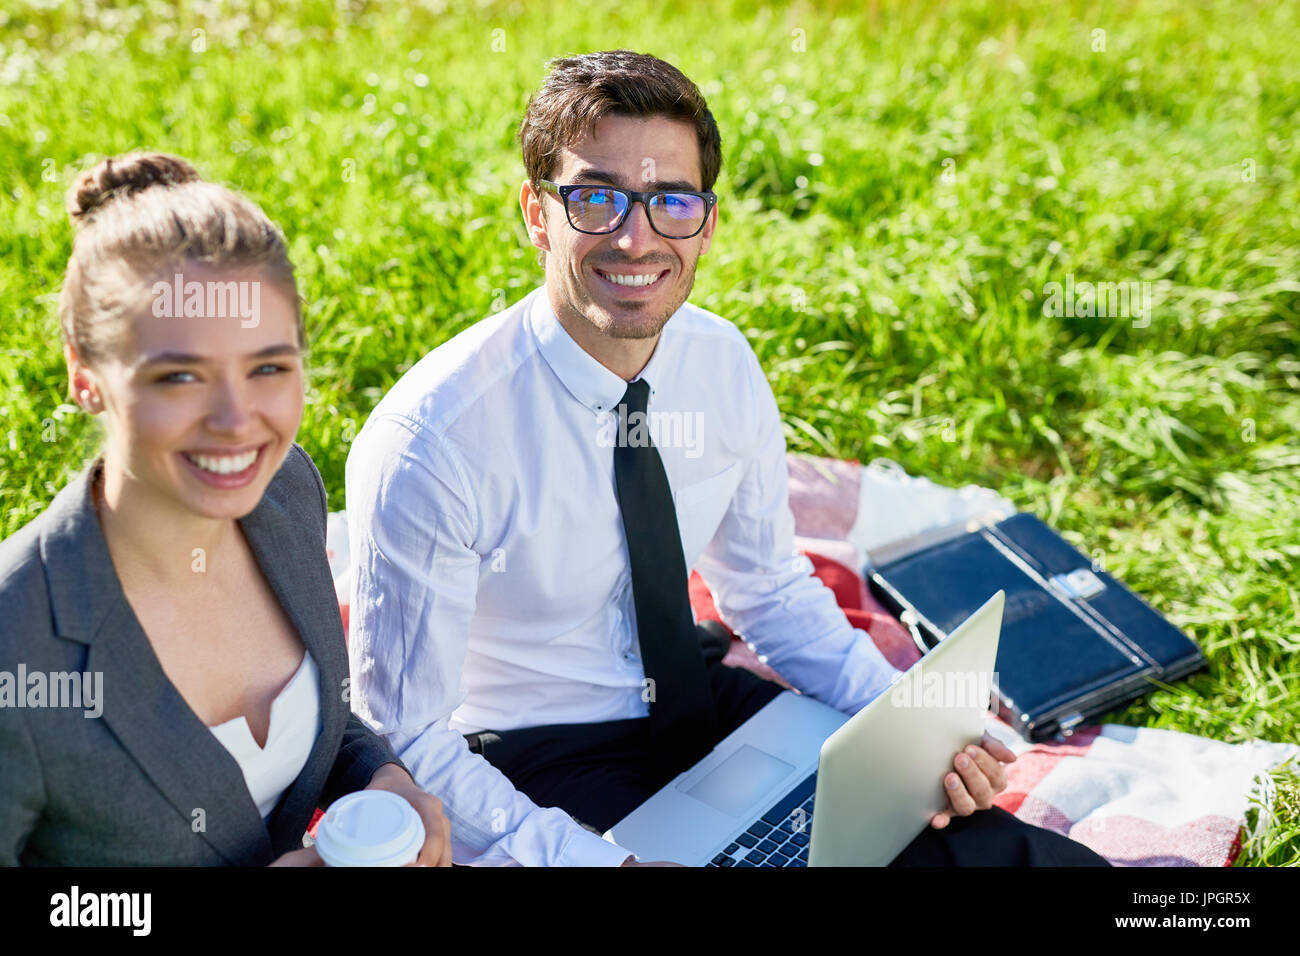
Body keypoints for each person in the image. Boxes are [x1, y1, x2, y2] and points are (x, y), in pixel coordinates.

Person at [345, 51, 1110, 866]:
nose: (636, 238)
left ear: (706, 221)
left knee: (1005, 857)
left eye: (670, 200)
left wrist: (913, 725)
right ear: (537, 214)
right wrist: (594, 863)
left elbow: (769, 590)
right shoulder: (430, 443)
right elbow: (408, 736)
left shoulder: (721, 363)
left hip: (703, 701)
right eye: (597, 199)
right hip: (537, 756)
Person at [0, 152, 451, 866]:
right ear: (85, 377)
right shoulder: (17, 640)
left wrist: (383, 776)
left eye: (268, 366)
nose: (238, 422)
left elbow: (320, 710)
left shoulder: (284, 491)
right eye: (180, 375)